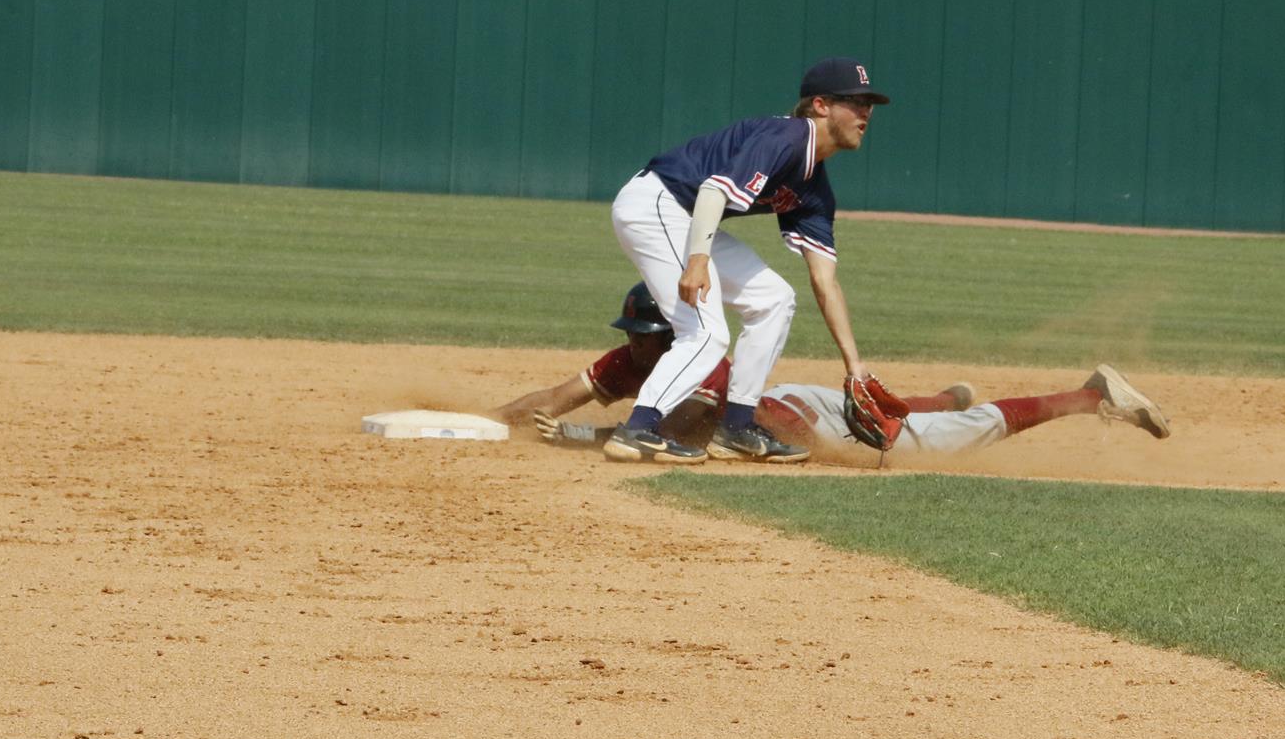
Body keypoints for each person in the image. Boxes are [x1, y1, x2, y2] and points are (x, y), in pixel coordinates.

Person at [493, 283, 1172, 464]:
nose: (636, 351)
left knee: (952, 437)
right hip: (790, 403)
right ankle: (941, 396)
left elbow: (685, 430)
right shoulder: (638, 357)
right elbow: (561, 395)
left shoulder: (706, 361)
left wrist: (582, 439)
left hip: (815, 428)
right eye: (635, 338)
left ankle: (1090, 394)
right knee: (919, 412)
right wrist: (496, 422)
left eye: (648, 338)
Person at [602, 56, 888, 466]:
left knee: (774, 298)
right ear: (821, 105)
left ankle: (736, 427)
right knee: (704, 331)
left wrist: (854, 365)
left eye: (869, 104)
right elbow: (713, 193)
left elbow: (826, 282)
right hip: (657, 203)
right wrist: (697, 261)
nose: (865, 113)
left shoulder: (815, 190)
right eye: (855, 102)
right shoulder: (787, 138)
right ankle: (639, 428)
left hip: (688, 218)